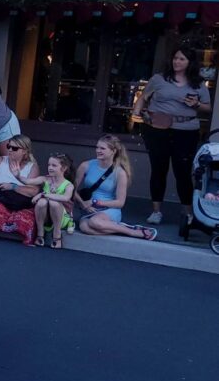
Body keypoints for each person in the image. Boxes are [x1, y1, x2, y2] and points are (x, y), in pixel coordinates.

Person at [132, 46, 213, 225]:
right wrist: (136, 114)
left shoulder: (198, 83)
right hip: (157, 128)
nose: (177, 61)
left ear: (190, 63)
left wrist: (196, 104)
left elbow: (207, 108)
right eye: (175, 58)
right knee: (158, 169)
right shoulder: (159, 79)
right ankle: (156, 211)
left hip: (186, 130)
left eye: (182, 59)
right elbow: (144, 97)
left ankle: (188, 213)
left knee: (182, 171)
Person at [74, 134, 157, 240]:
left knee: (95, 222)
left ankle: (133, 232)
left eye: (102, 148)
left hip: (109, 209)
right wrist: (83, 204)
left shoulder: (120, 173)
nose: (98, 150)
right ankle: (119, 228)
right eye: (97, 147)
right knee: (85, 227)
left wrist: (95, 202)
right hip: (89, 209)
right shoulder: (85, 165)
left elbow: (120, 203)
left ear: (113, 151)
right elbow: (72, 189)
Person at [27, 153, 75, 248]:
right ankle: (40, 234)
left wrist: (43, 194)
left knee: (54, 202)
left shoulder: (68, 185)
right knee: (42, 202)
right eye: (49, 165)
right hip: (46, 216)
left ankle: (57, 235)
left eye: (54, 165)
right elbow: (28, 181)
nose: (50, 167)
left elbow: (65, 198)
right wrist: (17, 175)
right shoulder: (45, 179)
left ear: (64, 168)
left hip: (61, 218)